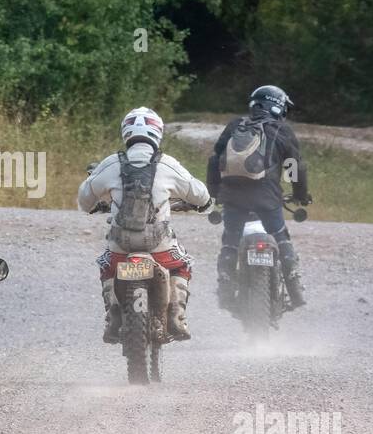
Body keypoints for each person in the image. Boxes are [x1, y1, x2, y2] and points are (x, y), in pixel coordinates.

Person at [77, 107, 211, 342]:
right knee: (183, 264)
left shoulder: (111, 164)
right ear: (157, 132)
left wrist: (92, 206)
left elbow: (84, 197)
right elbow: (199, 195)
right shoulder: (167, 164)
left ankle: (113, 315)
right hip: (160, 246)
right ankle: (176, 316)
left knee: (106, 265)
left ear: (126, 132)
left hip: (121, 245)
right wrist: (204, 203)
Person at [207, 85, 311, 308]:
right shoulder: (282, 131)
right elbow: (294, 166)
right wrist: (300, 195)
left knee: (231, 240)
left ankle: (225, 286)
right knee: (280, 236)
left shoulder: (236, 125)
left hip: (233, 199)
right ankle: (294, 284)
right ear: (279, 108)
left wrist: (215, 193)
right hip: (267, 198)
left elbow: (215, 160)